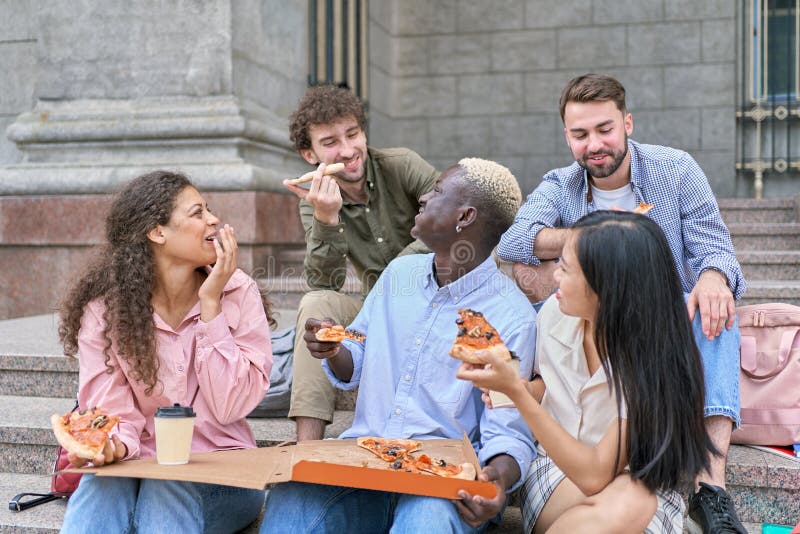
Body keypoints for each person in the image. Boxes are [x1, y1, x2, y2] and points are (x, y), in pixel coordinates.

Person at [497, 73, 746, 534]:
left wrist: (712, 278)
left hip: (670, 311)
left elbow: (714, 247)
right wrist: (597, 241)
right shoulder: (562, 184)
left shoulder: (676, 170)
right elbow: (515, 239)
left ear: (627, 123)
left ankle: (711, 486)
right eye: (580, 134)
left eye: (604, 129)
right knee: (533, 284)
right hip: (592, 313)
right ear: (567, 137)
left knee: (718, 307)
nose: (594, 143)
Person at [260, 158, 536, 533]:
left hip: (440, 484)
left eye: (437, 191)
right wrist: (334, 349)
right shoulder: (398, 275)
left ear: (465, 216)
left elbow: (509, 431)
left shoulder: (512, 317)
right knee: (292, 497)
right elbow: (355, 358)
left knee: (427, 522)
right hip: (364, 462)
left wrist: (496, 481)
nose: (422, 196)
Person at [461, 210, 716, 533]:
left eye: (565, 269)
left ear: (606, 285)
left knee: (633, 498)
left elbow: (596, 473)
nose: (555, 277)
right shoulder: (554, 312)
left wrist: (515, 393)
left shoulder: (653, 357)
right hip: (553, 472)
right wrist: (514, 390)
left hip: (635, 480)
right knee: (631, 504)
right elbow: (548, 385)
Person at [58, 170, 272, 534]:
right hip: (139, 468)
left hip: (225, 474)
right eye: (197, 212)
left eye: (209, 209)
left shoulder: (238, 292)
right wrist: (110, 447)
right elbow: (111, 412)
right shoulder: (105, 309)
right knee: (100, 484)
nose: (213, 220)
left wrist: (211, 307)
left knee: (165, 484)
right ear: (157, 232)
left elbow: (231, 405)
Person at [283, 85, 439, 442]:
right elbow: (326, 280)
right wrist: (327, 219)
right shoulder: (314, 199)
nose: (348, 151)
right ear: (310, 154)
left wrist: (397, 273)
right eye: (330, 142)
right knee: (315, 305)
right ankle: (307, 448)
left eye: (353, 134)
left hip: (434, 302)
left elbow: (453, 216)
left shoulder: (402, 165)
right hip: (375, 315)